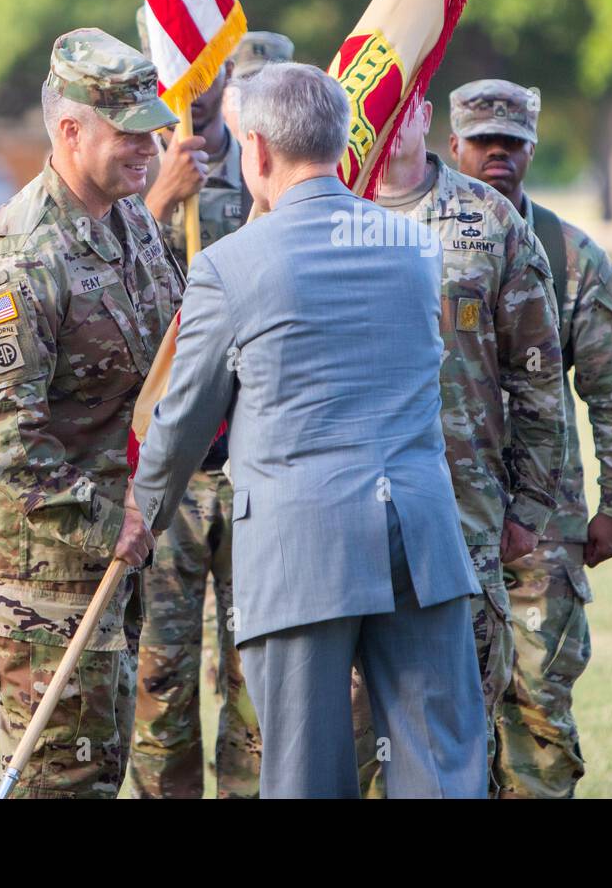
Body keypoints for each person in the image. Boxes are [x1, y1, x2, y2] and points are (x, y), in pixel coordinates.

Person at [126, 62, 487, 799]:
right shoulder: (415, 248)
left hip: (301, 548)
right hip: (417, 535)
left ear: (254, 151)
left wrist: (145, 507)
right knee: (440, 769)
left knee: (304, 774)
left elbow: (187, 415)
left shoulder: (229, 265)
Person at [0, 29, 181, 799]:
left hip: (117, 549)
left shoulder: (134, 222)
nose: (149, 147)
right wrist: (101, 519)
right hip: (46, 563)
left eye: (153, 129)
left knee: (100, 764)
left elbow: (167, 358)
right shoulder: (18, 260)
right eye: (130, 132)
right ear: (71, 129)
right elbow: (7, 441)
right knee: (62, 777)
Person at [447, 78, 612, 799]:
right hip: (447, 513)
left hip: (547, 526)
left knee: (537, 710)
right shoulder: (417, 237)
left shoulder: (573, 257)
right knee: (441, 710)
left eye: (512, 142)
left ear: (533, 146)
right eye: (483, 142)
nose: (498, 154)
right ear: (454, 145)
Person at [363, 95, 567, 791]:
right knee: (354, 755)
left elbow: (538, 377)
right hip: (348, 539)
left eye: (407, 98)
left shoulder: (489, 220)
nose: (392, 115)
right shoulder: (322, 210)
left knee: (455, 746)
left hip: (465, 528)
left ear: (425, 113)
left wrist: (528, 510)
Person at [131, 29, 291, 800]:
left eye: (212, 65)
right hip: (166, 473)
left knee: (257, 677)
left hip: (258, 468)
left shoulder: (281, 173)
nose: (195, 81)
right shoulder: (127, 175)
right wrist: (157, 200)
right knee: (157, 687)